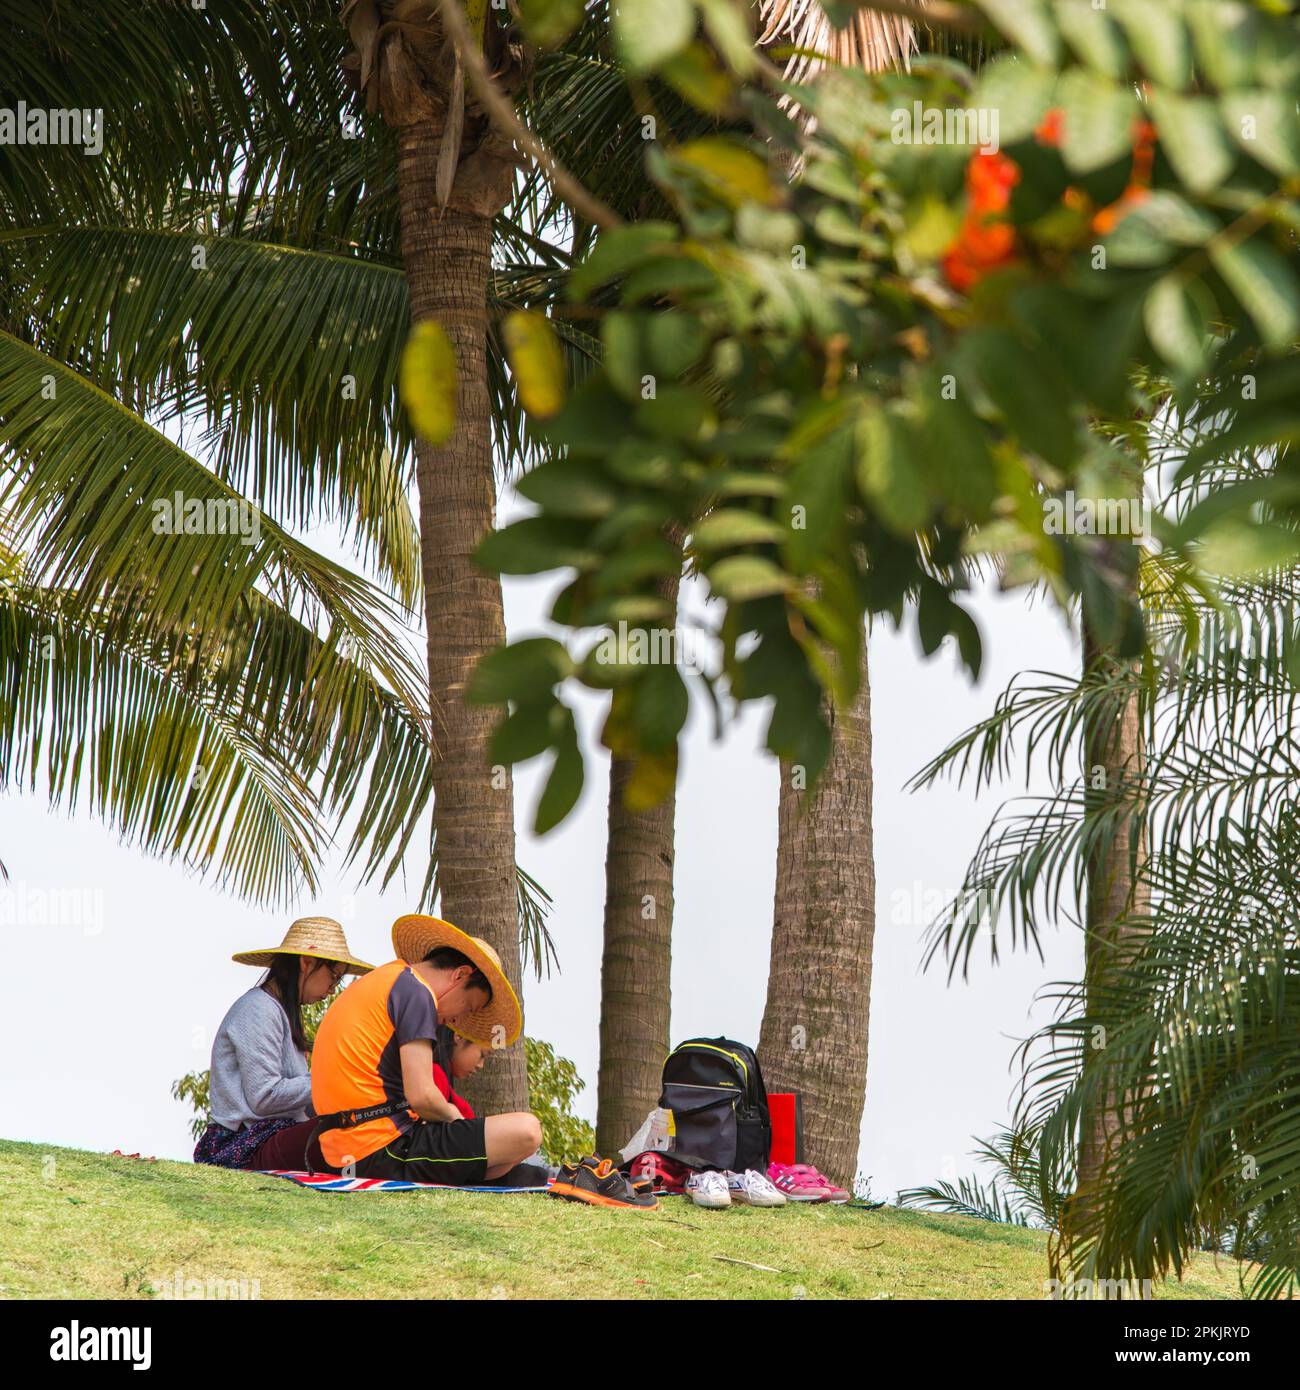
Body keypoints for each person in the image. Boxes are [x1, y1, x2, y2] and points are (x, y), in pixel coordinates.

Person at [309, 914, 541, 1184]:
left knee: (522, 1172)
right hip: (381, 1149)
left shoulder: (387, 978)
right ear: (460, 975)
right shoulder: (417, 993)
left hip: (343, 1148)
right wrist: (457, 1120)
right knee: (528, 1130)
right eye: (469, 1007)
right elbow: (423, 1096)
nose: (457, 1021)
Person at [194, 917, 373, 1171]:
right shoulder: (258, 1009)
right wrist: (330, 1079)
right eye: (333, 977)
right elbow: (264, 1097)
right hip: (243, 1145)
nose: (332, 989)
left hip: (269, 1136)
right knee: (341, 1133)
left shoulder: (281, 1013)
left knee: (357, 1123)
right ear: (307, 962)